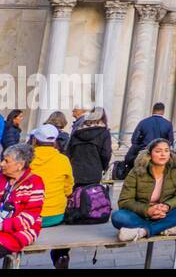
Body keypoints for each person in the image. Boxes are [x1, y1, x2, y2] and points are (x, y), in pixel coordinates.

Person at [111, 138, 176, 241]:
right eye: (158, 151)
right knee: (118, 216)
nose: (163, 154)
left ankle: (144, 231)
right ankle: (165, 227)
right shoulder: (136, 171)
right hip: (141, 214)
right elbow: (124, 201)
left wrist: (167, 206)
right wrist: (148, 210)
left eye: (166, 150)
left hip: (165, 213)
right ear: (150, 154)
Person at [30, 124, 73, 267]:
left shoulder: (27, 160)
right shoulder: (63, 160)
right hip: (56, 216)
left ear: (35, 141)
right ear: (54, 142)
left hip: (31, 217)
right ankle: (61, 255)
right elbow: (68, 189)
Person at [0, 143, 45, 261]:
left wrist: (2, 225)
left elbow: (28, 218)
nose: (2, 164)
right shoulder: (2, 179)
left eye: (6, 161)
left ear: (19, 165)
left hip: (21, 230)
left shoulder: (35, 182)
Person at [66, 107, 112, 188]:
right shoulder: (104, 133)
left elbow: (69, 152)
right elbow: (106, 154)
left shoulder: (77, 132)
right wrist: (104, 167)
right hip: (94, 172)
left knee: (77, 197)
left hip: (76, 171)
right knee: (91, 197)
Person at [124, 103, 173, 168]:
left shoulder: (143, 122)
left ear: (153, 110)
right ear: (163, 111)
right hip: (159, 156)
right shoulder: (168, 124)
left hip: (144, 154)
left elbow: (134, 140)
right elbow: (170, 141)